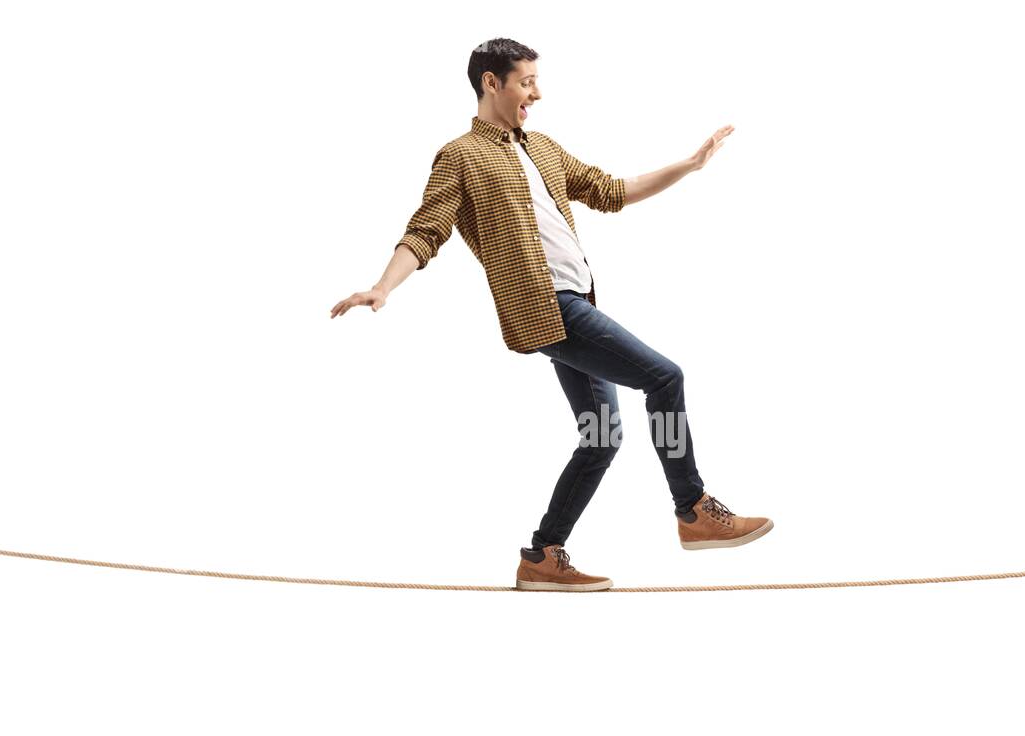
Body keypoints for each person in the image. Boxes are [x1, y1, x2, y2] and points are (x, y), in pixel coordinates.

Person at [330, 38, 772, 591]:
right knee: (665, 377)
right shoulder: (461, 156)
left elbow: (613, 191)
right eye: (525, 82)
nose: (536, 93)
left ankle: (542, 554)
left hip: (579, 303)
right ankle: (693, 508)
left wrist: (688, 165)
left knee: (602, 436)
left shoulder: (542, 148)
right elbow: (425, 232)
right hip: (547, 309)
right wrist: (382, 286)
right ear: (492, 82)